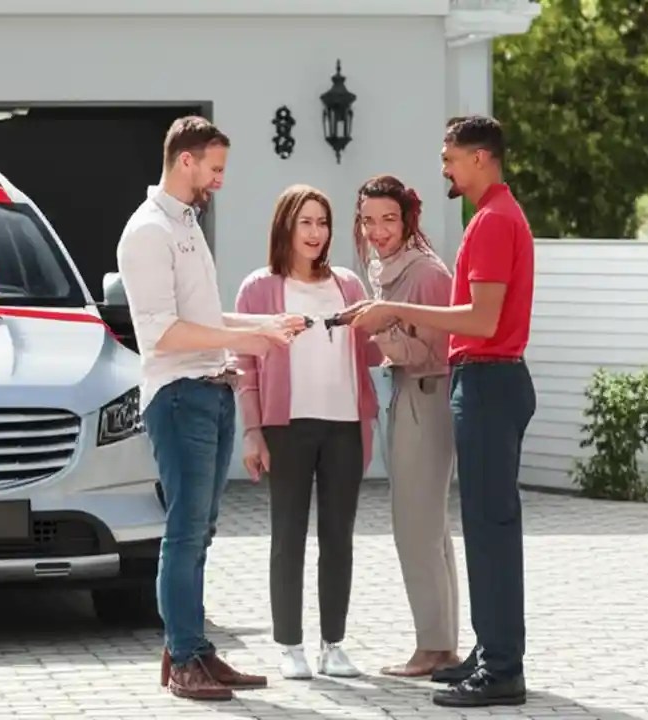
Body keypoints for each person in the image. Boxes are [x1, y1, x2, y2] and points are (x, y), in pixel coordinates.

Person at [115, 116, 307, 702]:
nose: (220, 180)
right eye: (216, 168)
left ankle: (191, 650)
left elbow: (207, 317)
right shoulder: (148, 232)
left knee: (203, 530)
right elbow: (162, 335)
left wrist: (263, 325)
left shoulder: (187, 225)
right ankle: (184, 662)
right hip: (179, 398)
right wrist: (249, 342)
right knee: (184, 531)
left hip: (211, 391)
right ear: (186, 160)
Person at [348, 115, 536, 708]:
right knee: (481, 529)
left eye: (450, 157)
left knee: (491, 533)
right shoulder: (491, 218)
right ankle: (488, 652)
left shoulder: (494, 222)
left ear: (480, 157)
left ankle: (501, 668)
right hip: (486, 382)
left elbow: (481, 321)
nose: (444, 167)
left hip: (489, 382)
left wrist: (394, 311)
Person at [233, 184, 382, 682]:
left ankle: (333, 645)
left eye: (322, 223)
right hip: (286, 427)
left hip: (345, 425)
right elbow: (246, 366)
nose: (316, 233)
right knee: (288, 536)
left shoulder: (349, 285)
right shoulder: (259, 287)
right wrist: (253, 431)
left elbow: (373, 354)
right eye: (306, 222)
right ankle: (289, 645)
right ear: (286, 226)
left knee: (338, 537)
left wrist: (387, 314)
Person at [352, 174, 461, 678]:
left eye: (388, 220)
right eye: (369, 220)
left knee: (417, 531)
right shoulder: (384, 266)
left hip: (427, 396)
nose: (377, 231)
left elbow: (437, 352)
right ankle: (440, 644)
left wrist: (381, 334)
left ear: (407, 219)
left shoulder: (426, 273)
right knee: (428, 529)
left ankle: (433, 648)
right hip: (406, 395)